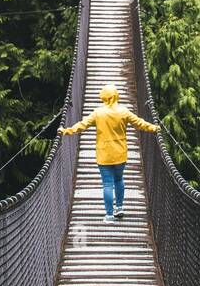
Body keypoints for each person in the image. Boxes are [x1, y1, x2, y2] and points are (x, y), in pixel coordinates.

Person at [59, 85, 160, 222]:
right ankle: (119, 207)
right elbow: (139, 123)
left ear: (104, 97)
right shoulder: (124, 111)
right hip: (120, 153)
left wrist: (67, 130)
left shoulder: (98, 113)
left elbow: (82, 125)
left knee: (107, 184)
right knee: (119, 180)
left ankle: (109, 215)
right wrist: (154, 128)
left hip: (104, 154)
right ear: (116, 96)